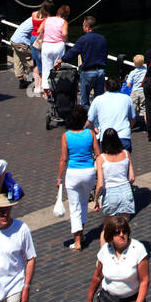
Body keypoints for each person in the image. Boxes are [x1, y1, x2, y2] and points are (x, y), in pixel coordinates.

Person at [57, 104, 100, 250]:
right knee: (83, 204)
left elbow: (64, 159)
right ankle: (81, 234)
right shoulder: (90, 134)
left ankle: (77, 241)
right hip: (88, 172)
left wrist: (59, 178)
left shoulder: (66, 136)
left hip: (73, 173)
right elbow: (98, 155)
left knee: (74, 207)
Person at [64, 14, 110, 111]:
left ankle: (87, 121)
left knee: (85, 101)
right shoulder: (102, 39)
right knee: (99, 99)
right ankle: (98, 121)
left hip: (88, 71)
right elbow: (105, 54)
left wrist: (62, 59)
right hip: (100, 71)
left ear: (86, 27)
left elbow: (73, 52)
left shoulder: (83, 39)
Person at [94, 128, 136, 217]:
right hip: (126, 191)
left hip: (110, 193)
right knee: (124, 226)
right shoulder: (126, 153)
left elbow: (100, 184)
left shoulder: (101, 159)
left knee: (109, 227)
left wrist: (96, 199)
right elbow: (132, 178)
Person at [88, 78, 135, 153]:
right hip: (123, 136)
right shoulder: (127, 98)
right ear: (119, 86)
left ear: (105, 87)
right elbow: (132, 119)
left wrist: (94, 130)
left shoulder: (98, 99)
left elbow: (89, 121)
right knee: (125, 161)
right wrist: (128, 129)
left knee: (106, 162)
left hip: (106, 137)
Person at [37, 4, 70, 92]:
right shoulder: (64, 22)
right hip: (58, 46)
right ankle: (56, 87)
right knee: (58, 67)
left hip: (47, 46)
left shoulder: (47, 20)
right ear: (66, 15)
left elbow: (39, 30)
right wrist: (64, 40)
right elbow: (64, 34)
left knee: (46, 68)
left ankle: (46, 90)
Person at [9, 16, 37, 90]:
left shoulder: (31, 18)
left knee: (17, 61)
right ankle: (33, 82)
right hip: (22, 42)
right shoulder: (39, 21)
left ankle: (22, 82)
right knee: (29, 60)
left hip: (14, 40)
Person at [124, 55, 148, 130]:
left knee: (132, 111)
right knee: (145, 111)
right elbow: (146, 65)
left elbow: (128, 84)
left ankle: (130, 127)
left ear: (134, 64)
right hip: (143, 92)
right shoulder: (146, 69)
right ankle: (148, 127)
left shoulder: (133, 72)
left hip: (135, 92)